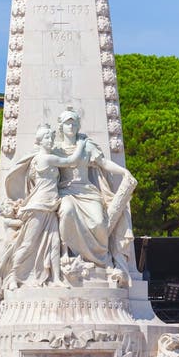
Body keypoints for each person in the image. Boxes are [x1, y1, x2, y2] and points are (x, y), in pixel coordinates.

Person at [0, 124, 85, 298]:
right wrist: (80, 144)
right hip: (38, 206)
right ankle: (12, 277)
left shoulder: (42, 158)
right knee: (27, 244)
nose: (51, 140)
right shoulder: (44, 159)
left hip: (50, 206)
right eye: (47, 138)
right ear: (40, 141)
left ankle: (56, 278)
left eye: (51, 137)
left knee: (54, 243)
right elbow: (71, 161)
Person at [55, 108, 135, 278]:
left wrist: (123, 172)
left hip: (87, 191)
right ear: (61, 126)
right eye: (67, 123)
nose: (71, 126)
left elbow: (104, 163)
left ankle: (100, 260)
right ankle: (67, 255)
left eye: (74, 122)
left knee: (99, 222)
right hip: (66, 192)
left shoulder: (87, 146)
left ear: (78, 126)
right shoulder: (57, 149)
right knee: (67, 211)